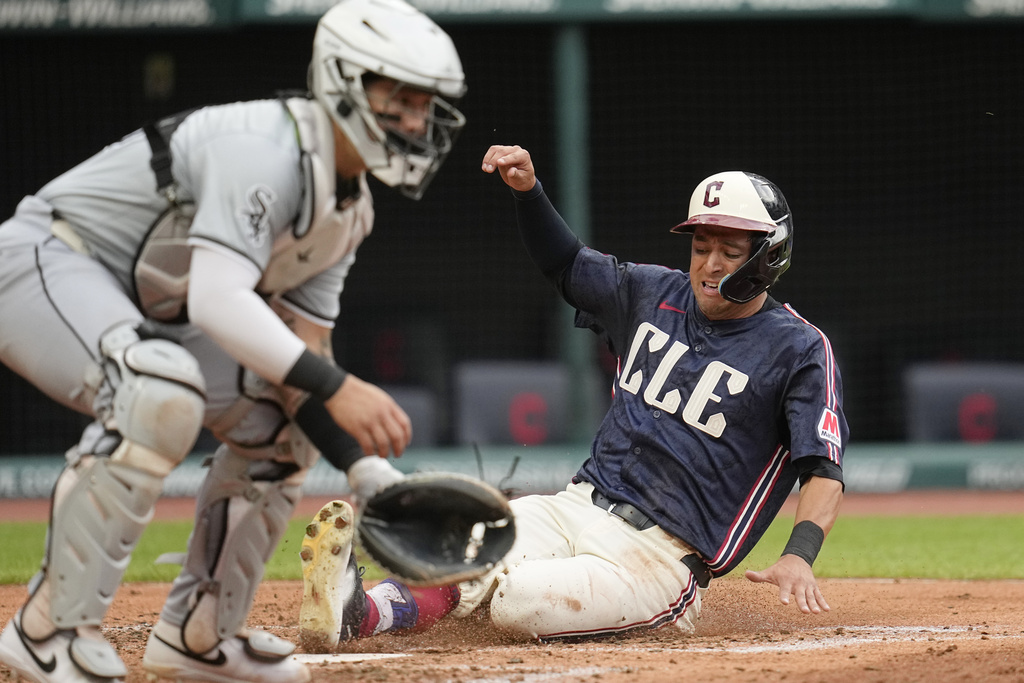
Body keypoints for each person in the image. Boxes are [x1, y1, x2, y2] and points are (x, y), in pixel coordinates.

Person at [0, 1, 465, 681]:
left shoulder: (350, 208)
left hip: (145, 307)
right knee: (157, 390)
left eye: (425, 106)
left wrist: (365, 471)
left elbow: (299, 361)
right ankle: (46, 632)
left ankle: (198, 637)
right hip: (42, 260)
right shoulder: (266, 146)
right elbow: (219, 301)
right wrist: (342, 388)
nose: (416, 122)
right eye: (400, 98)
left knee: (282, 424)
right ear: (343, 79)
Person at [297, 144, 848, 648]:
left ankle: (498, 587)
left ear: (768, 257)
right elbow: (566, 265)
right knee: (469, 544)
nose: (709, 263)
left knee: (521, 599)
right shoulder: (652, 292)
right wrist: (528, 192)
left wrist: (799, 555)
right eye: (702, 246)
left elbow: (822, 468)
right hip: (575, 505)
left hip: (659, 557)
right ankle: (356, 613)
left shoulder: (798, 349)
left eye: (729, 250)